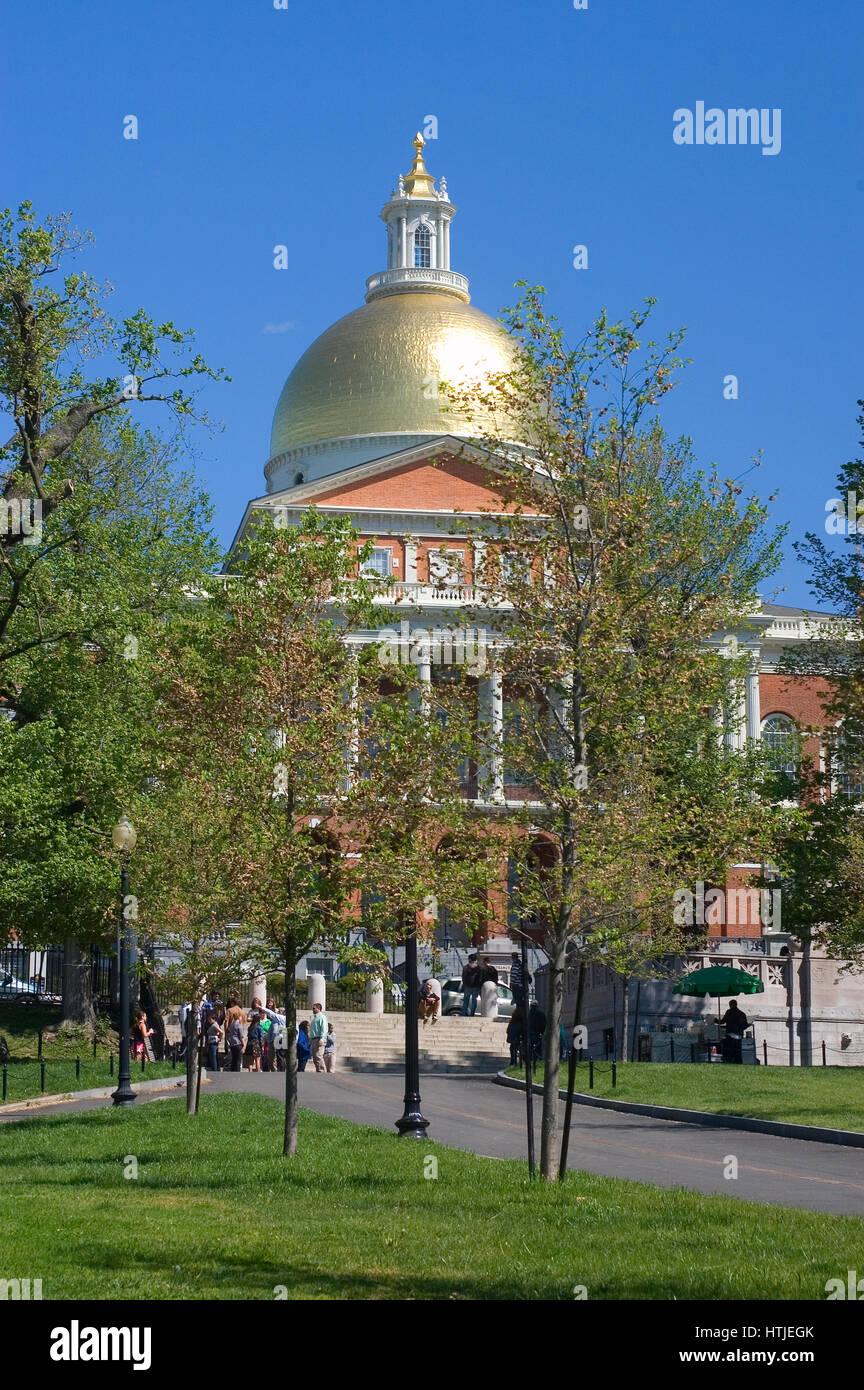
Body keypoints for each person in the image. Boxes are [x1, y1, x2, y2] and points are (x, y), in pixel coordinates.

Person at [721, 999, 749, 1064]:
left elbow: (723, 1021)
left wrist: (716, 1020)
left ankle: (730, 1061)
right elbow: (745, 1025)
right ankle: (738, 1062)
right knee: (738, 1051)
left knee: (730, 1051)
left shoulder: (729, 1012)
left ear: (731, 1005)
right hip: (739, 1035)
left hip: (730, 1035)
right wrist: (741, 1028)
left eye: (730, 1005)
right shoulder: (742, 1014)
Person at [224, 994, 247, 1072]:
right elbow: (244, 1022)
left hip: (232, 1033)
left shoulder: (230, 1010)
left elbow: (226, 1021)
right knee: (238, 1053)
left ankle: (230, 1064)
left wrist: (226, 1029)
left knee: (231, 1051)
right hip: (240, 1032)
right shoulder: (243, 1012)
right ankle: (239, 1065)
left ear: (232, 1002)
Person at [309, 1001, 328, 1072]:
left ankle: (322, 1071)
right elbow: (312, 1031)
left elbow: (324, 1029)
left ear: (318, 1009)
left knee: (318, 1056)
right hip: (314, 1039)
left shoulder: (322, 1017)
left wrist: (322, 1039)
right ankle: (318, 1070)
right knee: (315, 1057)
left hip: (319, 1038)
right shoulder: (314, 1019)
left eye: (314, 1008)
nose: (313, 1010)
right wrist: (310, 1041)